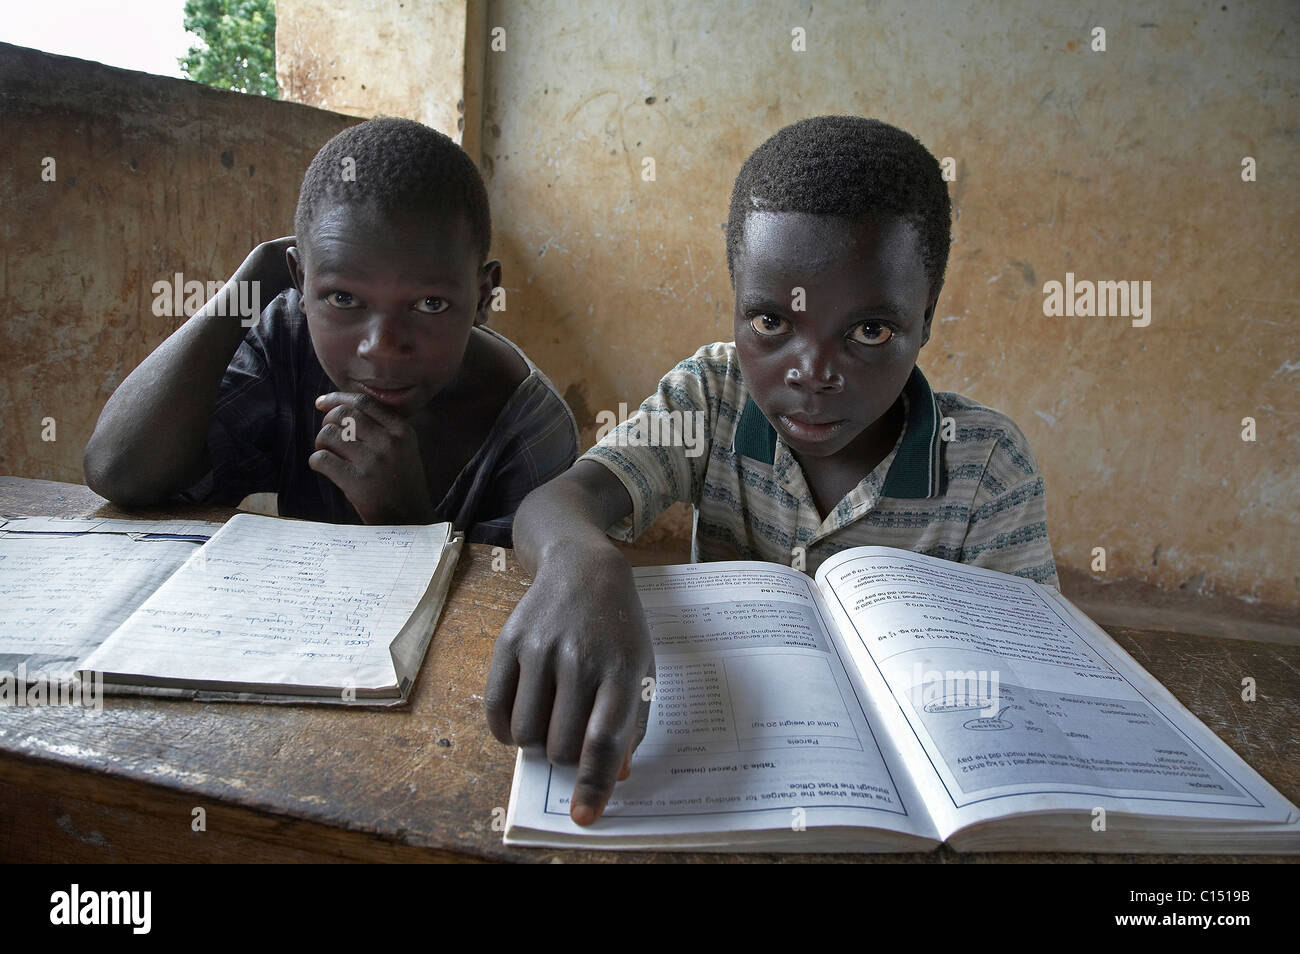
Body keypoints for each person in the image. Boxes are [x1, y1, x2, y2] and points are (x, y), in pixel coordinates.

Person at [484, 115, 1059, 825]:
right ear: (735, 300)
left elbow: (1034, 677)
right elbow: (560, 501)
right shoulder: (713, 398)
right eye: (770, 323)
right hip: (734, 762)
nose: (812, 374)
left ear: (927, 318)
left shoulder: (987, 469)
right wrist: (586, 566)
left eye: (869, 331)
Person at [84, 117, 578, 546]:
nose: (380, 348)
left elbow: (502, 623)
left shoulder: (530, 432)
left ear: (484, 296)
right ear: (299, 281)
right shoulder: (288, 341)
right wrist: (251, 282)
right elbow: (118, 471)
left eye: (430, 304)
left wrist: (404, 521)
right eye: (344, 299)